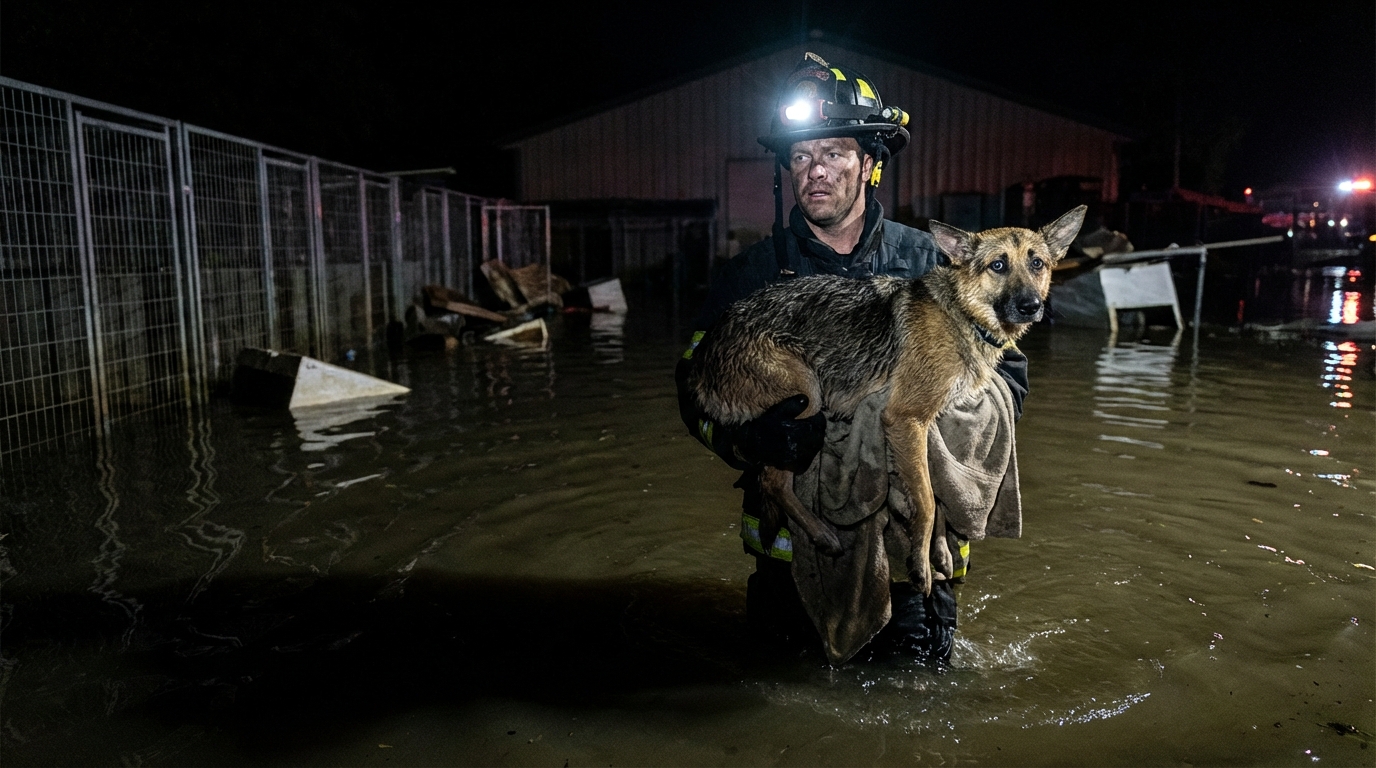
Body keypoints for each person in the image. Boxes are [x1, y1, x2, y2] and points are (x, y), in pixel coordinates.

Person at [675, 52, 1029, 663]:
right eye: (801, 156)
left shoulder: (933, 261)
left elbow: (1012, 377)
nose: (816, 170)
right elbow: (692, 387)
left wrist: (944, 409)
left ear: (869, 164)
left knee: (920, 721)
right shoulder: (752, 274)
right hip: (792, 565)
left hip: (913, 571)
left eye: (834, 152)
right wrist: (747, 438)